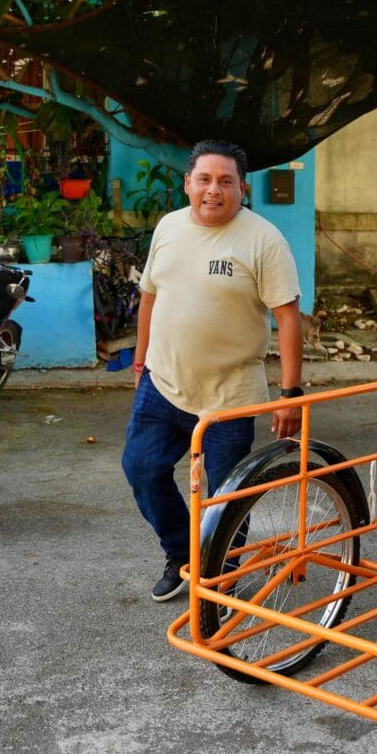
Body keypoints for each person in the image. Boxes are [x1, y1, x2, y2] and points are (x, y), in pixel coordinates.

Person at [122, 140, 304, 602]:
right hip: (162, 383)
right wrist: (141, 359)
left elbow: (287, 317)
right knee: (141, 469)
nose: (213, 190)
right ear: (187, 183)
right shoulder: (168, 227)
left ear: (242, 187)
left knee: (226, 499)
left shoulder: (263, 239)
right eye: (204, 179)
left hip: (231, 395)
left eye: (226, 181)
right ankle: (182, 554)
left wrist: (290, 393)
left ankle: (220, 577)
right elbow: (149, 295)